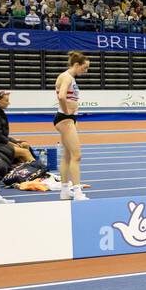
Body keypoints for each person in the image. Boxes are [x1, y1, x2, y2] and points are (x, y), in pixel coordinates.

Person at [53, 51, 91, 201]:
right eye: (85, 67)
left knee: (67, 156)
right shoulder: (66, 77)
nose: (86, 71)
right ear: (77, 64)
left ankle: (64, 191)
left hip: (68, 118)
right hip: (65, 118)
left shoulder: (69, 78)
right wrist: (67, 111)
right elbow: (62, 96)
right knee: (77, 156)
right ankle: (77, 192)